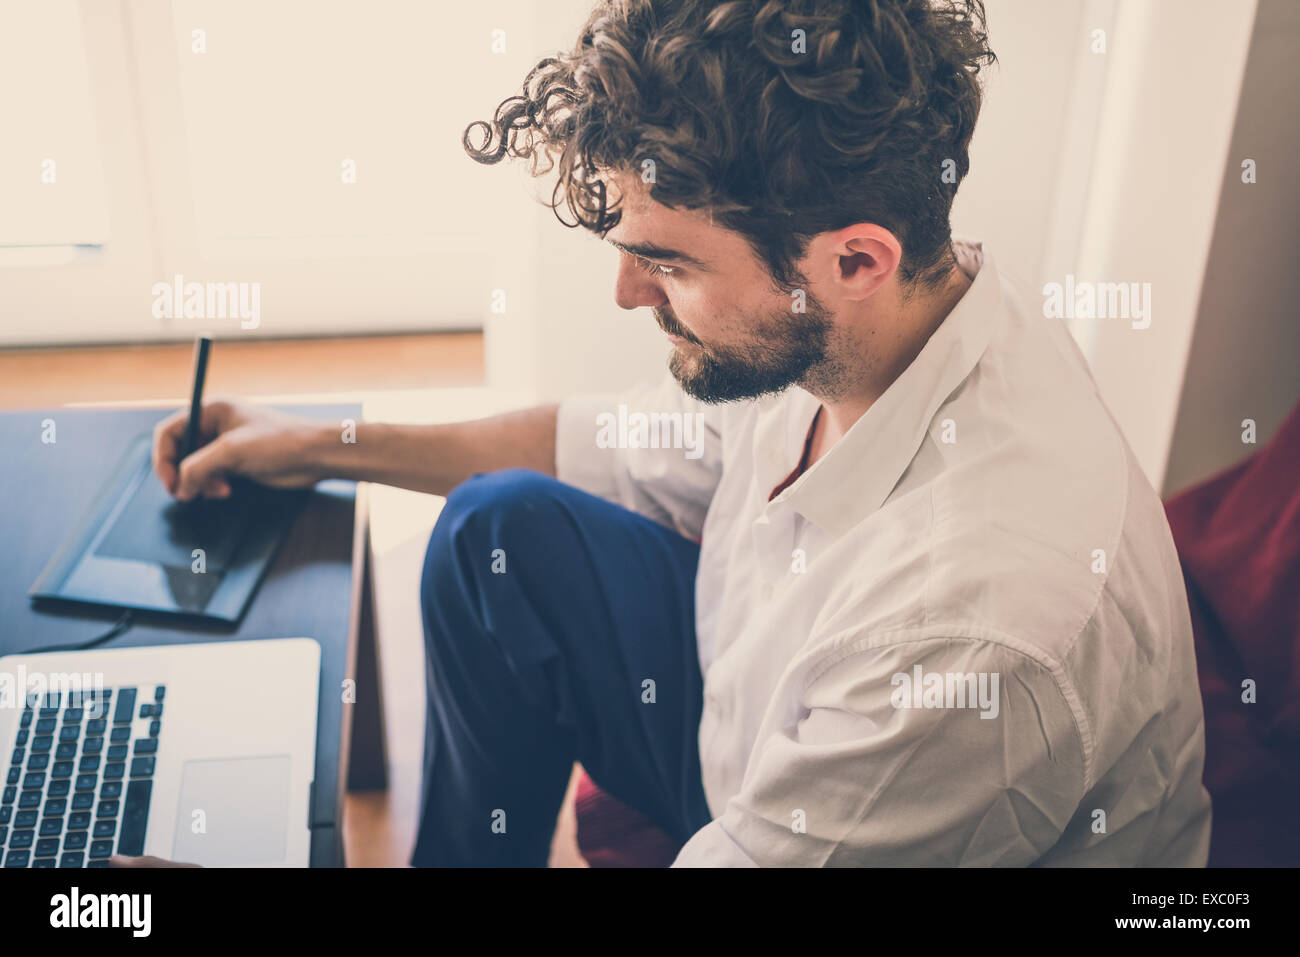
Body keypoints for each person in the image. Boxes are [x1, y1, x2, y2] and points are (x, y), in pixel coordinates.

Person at [134, 0, 1211, 867]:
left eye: (669, 262)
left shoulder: (966, 643)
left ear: (852, 262)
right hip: (765, 710)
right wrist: (323, 445)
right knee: (494, 531)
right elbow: (606, 448)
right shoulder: (894, 308)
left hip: (856, 784)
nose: (623, 292)